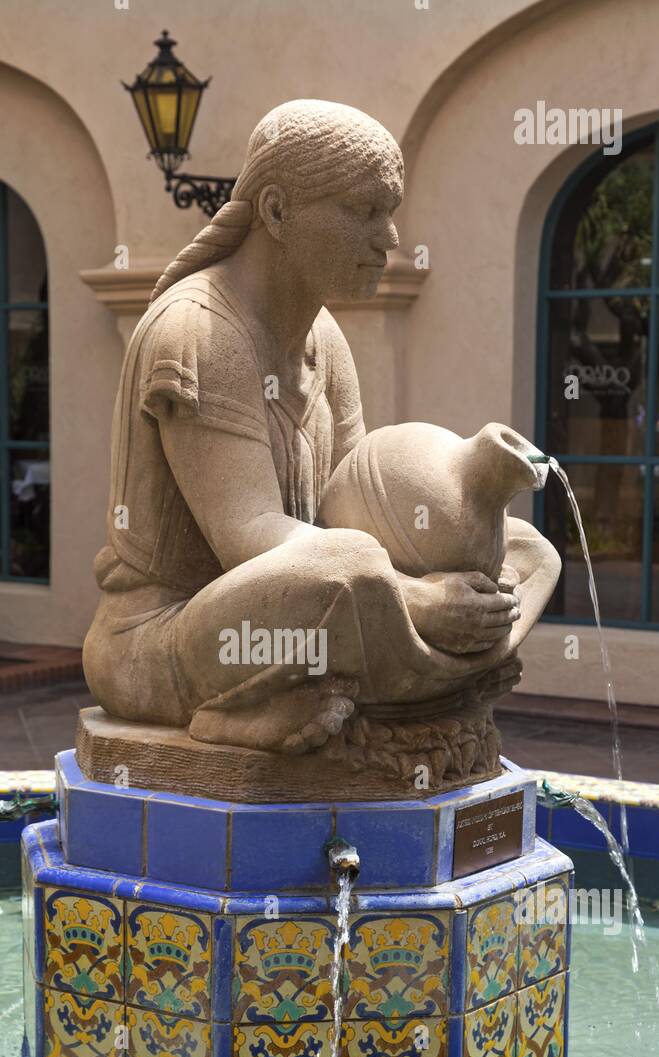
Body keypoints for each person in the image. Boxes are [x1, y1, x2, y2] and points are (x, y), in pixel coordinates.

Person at [83, 99, 548, 754]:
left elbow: (352, 508)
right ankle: (242, 709)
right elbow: (253, 538)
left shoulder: (324, 340)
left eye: (390, 213)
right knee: (345, 566)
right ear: (276, 211)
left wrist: (457, 559)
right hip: (163, 643)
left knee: (526, 552)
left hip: (314, 603)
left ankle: (348, 685)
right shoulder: (197, 332)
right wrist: (417, 601)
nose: (389, 238)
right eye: (364, 211)